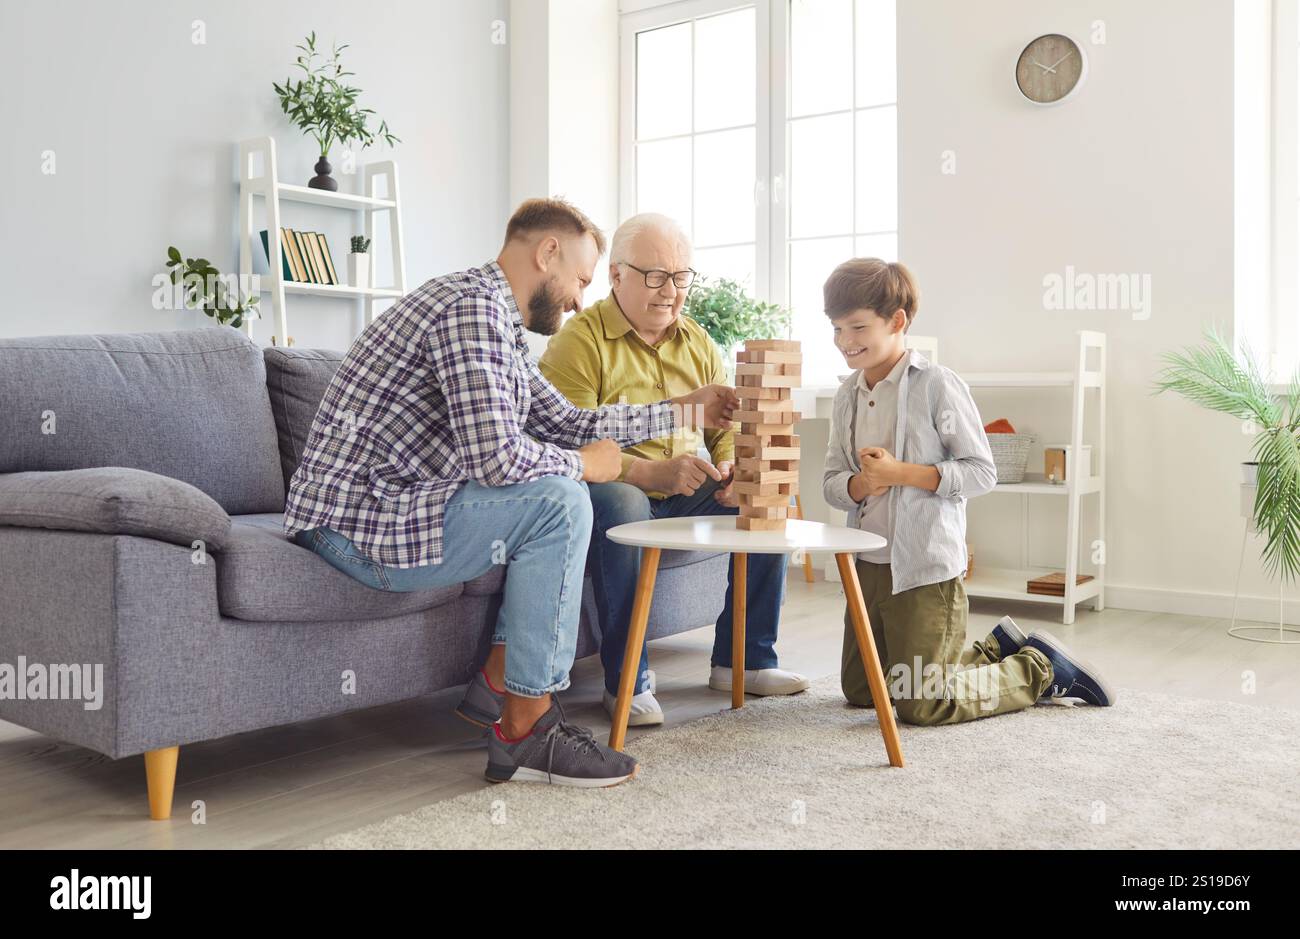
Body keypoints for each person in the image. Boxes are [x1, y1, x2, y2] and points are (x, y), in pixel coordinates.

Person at [283, 198, 739, 786]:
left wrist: (681, 408)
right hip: (360, 525)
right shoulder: (469, 310)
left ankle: (500, 678)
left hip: (392, 509)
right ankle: (526, 728)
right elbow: (499, 460)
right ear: (547, 252)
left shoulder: (493, 316)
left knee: (556, 487)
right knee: (560, 500)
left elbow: (568, 422)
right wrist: (588, 468)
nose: (579, 301)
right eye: (578, 279)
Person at [539, 213, 808, 728]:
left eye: (682, 277)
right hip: (615, 485)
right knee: (624, 503)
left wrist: (730, 467)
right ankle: (628, 681)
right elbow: (565, 438)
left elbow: (723, 429)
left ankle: (744, 660)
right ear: (616, 275)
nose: (672, 291)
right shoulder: (581, 340)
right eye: (656, 276)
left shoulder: (698, 342)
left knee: (762, 494)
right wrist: (652, 471)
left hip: (688, 484)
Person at [820, 257, 1115, 724]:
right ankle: (993, 649)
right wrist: (859, 483)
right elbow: (833, 483)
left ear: (897, 321)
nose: (844, 342)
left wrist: (902, 473)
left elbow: (982, 471)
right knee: (863, 692)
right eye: (836, 329)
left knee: (921, 703)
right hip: (869, 566)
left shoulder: (936, 385)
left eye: (857, 327)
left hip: (924, 572)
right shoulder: (846, 395)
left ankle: (1037, 667)